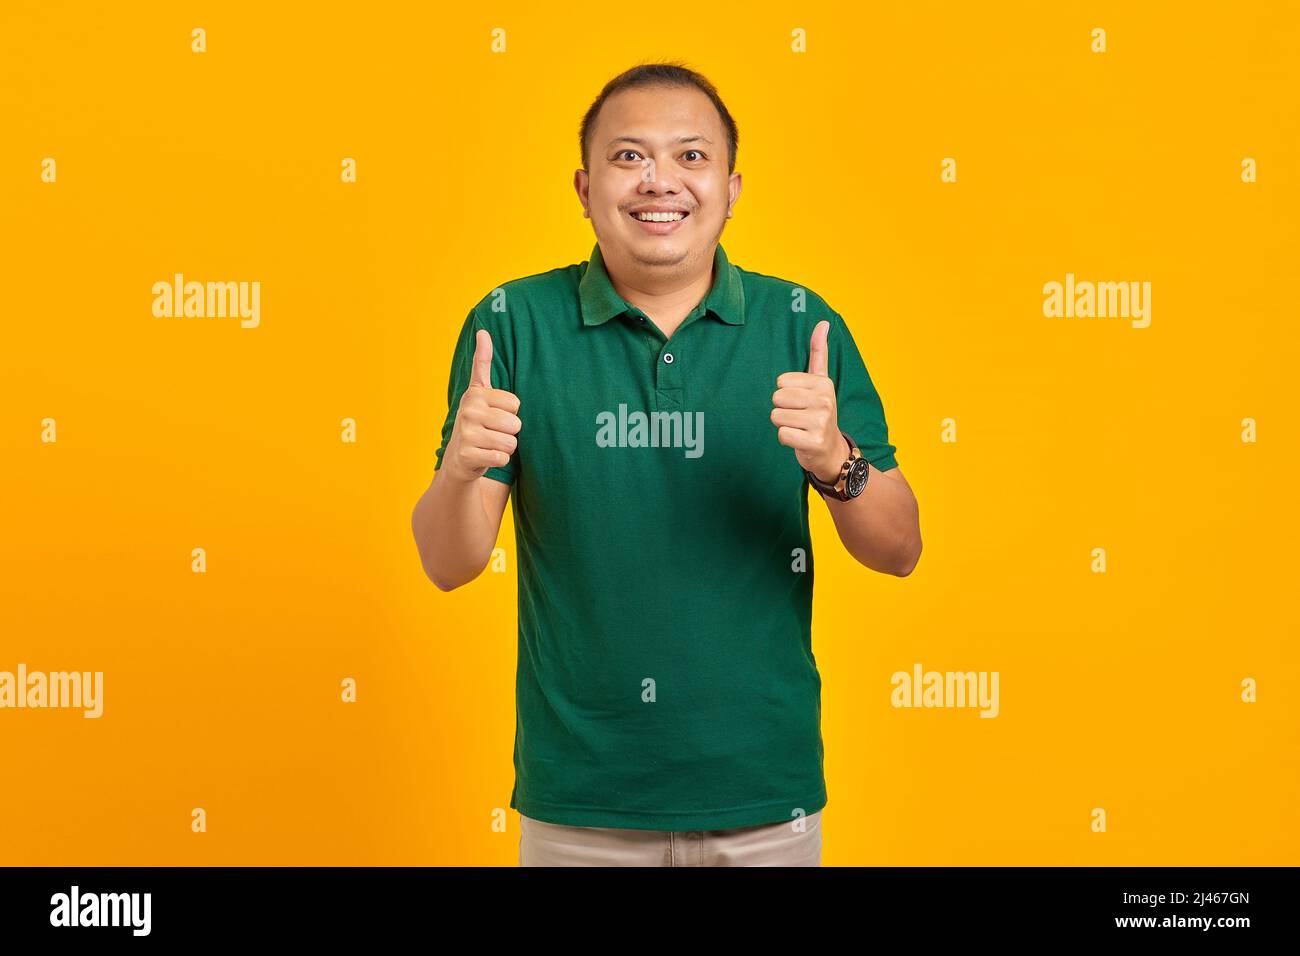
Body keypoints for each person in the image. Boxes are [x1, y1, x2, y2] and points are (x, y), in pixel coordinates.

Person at [411, 62, 922, 866]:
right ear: (584, 187)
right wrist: (460, 472)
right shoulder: (509, 326)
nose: (661, 182)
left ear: (731, 185)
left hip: (766, 797)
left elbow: (898, 551)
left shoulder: (802, 324)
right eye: (629, 157)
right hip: (581, 802)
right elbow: (448, 564)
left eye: (691, 157)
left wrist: (835, 459)